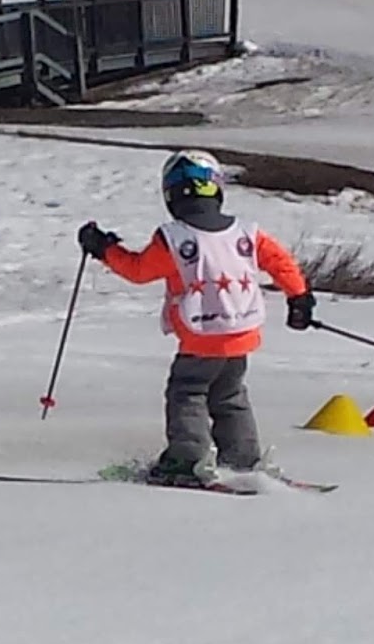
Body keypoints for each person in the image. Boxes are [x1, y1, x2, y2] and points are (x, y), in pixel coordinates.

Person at [77, 149, 315, 487]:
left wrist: (103, 248)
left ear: (171, 195)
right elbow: (281, 262)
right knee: (230, 396)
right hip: (241, 332)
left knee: (188, 393)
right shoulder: (246, 233)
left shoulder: (174, 239)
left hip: (201, 336)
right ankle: (243, 458)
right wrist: (299, 297)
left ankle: (188, 459)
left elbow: (138, 271)